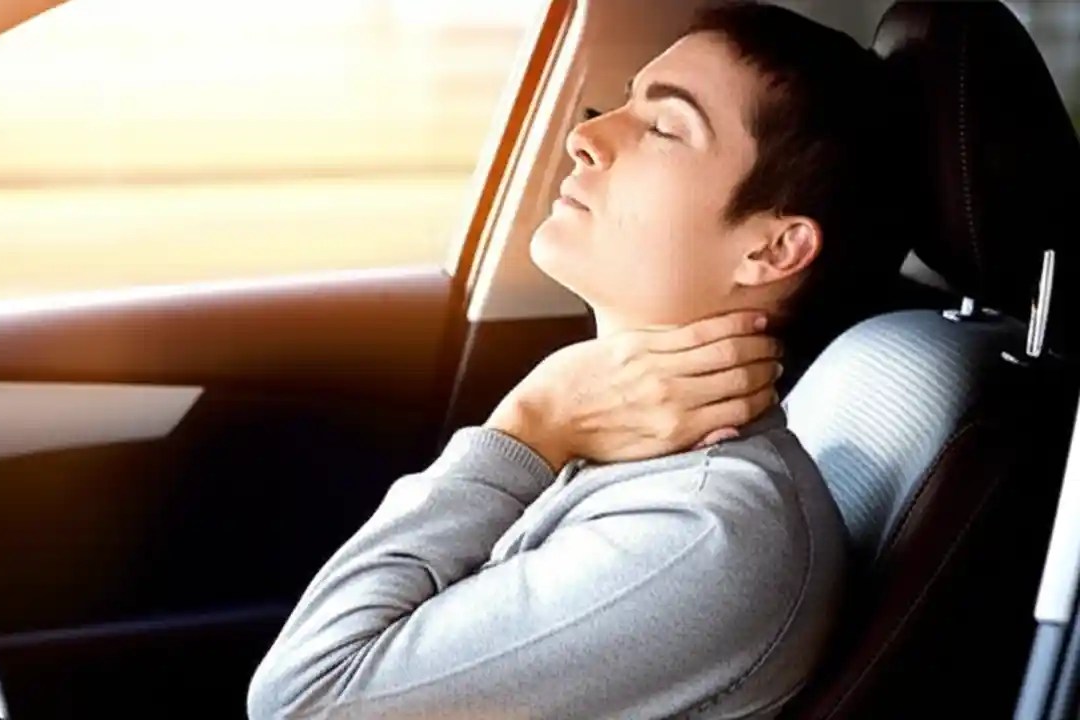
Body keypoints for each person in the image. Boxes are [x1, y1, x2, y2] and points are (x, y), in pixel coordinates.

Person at [247, 2, 908, 718]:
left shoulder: (704, 531)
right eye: (622, 104)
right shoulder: (631, 455)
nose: (584, 136)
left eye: (663, 127)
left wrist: (529, 425)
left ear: (772, 249)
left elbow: (303, 702)